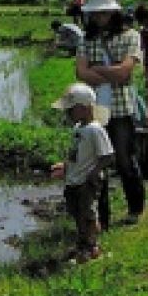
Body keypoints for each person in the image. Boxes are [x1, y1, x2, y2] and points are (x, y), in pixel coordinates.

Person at [74, 0, 146, 228]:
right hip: (97, 111)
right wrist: (111, 72)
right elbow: (81, 73)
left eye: (103, 13)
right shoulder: (87, 39)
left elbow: (126, 72)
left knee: (125, 160)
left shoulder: (130, 36)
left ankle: (135, 208)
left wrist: (98, 70)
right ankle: (101, 218)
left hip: (122, 108)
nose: (99, 17)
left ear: (113, 13)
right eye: (95, 13)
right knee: (97, 163)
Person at [49, 82, 114, 263]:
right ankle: (82, 243)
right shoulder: (78, 129)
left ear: (85, 108)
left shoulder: (95, 130)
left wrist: (94, 173)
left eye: (72, 109)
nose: (68, 113)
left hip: (87, 181)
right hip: (74, 180)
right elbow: (76, 154)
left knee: (88, 214)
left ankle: (92, 247)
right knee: (77, 213)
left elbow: (107, 156)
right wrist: (64, 166)